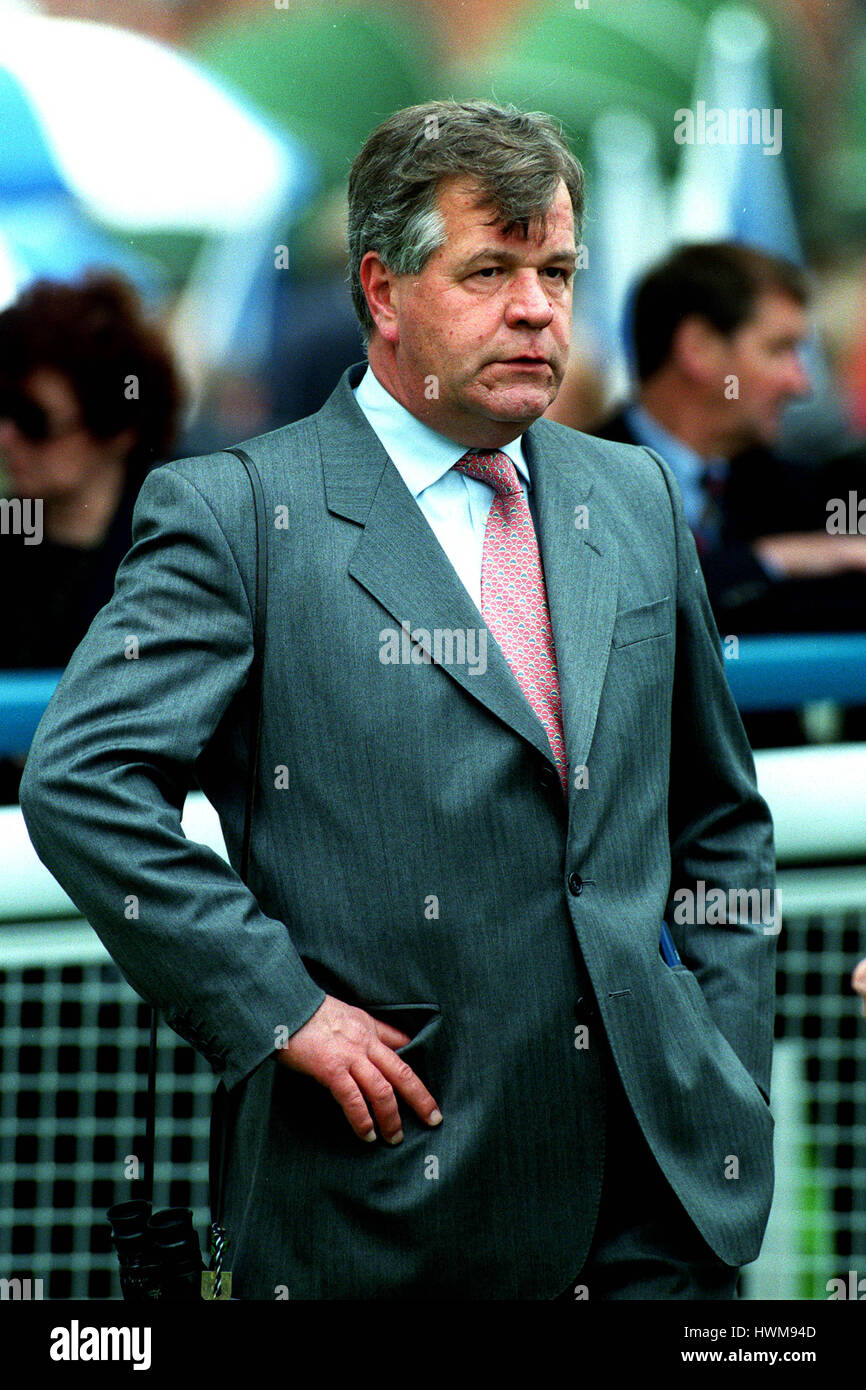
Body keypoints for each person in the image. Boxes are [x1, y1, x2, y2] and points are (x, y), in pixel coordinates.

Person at [20, 100, 776, 1301]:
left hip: (659, 1215)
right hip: (387, 1204)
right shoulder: (235, 514)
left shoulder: (631, 494)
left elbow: (716, 818)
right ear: (381, 290)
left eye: (555, 270)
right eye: (489, 270)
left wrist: (721, 1054)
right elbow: (79, 784)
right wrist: (279, 1008)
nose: (536, 307)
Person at [591, 242, 866, 636]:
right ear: (698, 349)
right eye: (779, 349)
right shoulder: (565, 486)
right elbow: (605, 608)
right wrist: (768, 561)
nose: (801, 384)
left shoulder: (806, 497)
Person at [0, 272, 183, 800]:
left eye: (33, 420)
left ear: (119, 426)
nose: (6, 437)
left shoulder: (188, 549)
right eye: (2, 410)